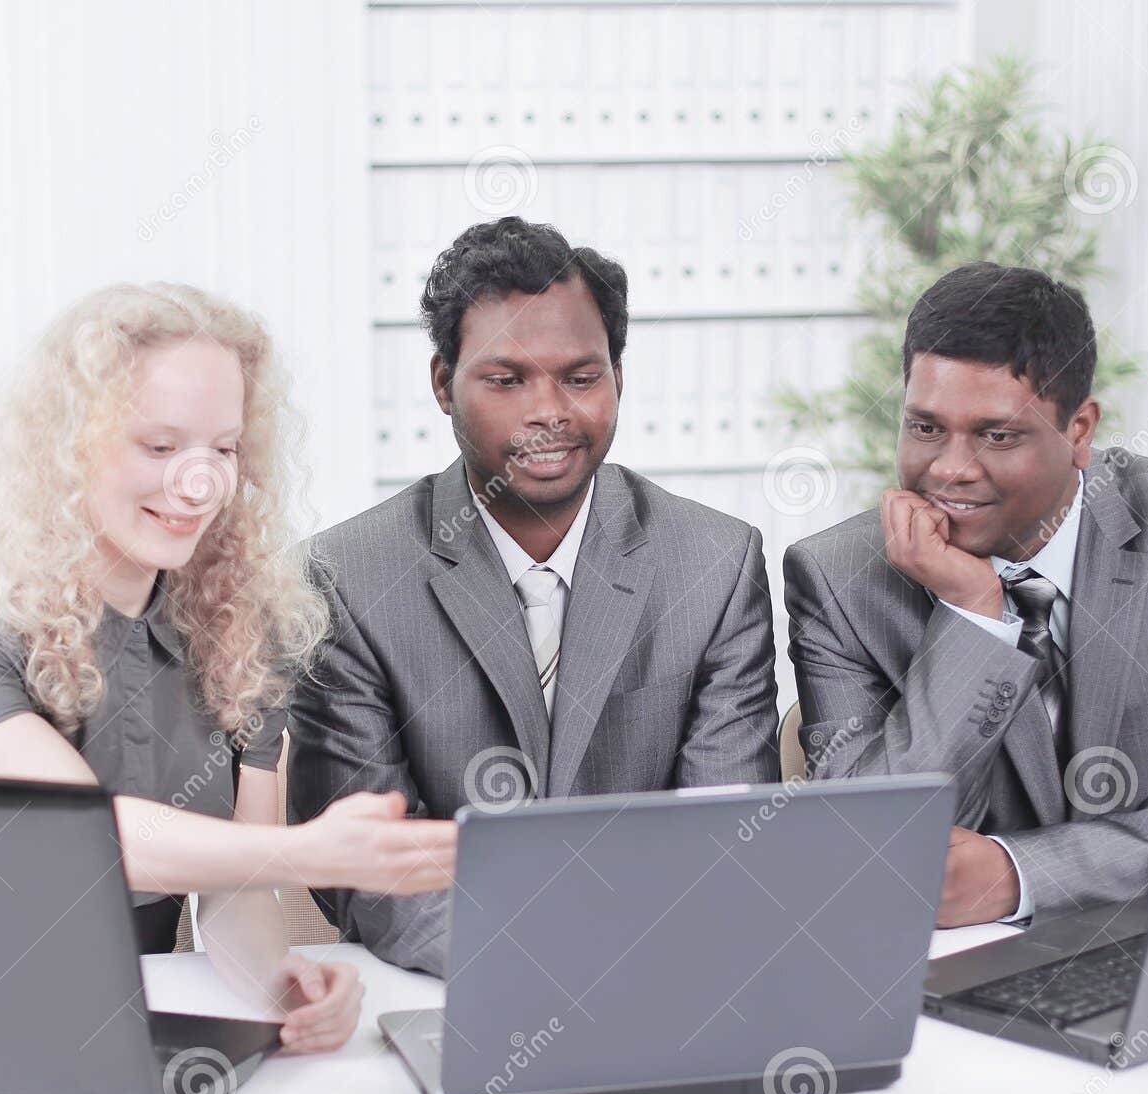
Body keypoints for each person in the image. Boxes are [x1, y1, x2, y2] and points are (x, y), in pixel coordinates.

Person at [0, 283, 456, 1052]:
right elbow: (83, 841)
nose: (198, 485)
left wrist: (276, 985)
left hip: (129, 1029)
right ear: (65, 448)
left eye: (222, 450)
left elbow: (233, 890)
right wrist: (307, 851)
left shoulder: (240, 634)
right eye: (159, 447)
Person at [289, 217, 780, 975]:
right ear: (442, 384)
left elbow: (727, 837)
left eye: (580, 377)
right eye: (506, 378)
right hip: (455, 989)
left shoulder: (714, 564)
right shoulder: (347, 576)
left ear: (619, 375)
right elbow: (369, 870)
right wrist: (538, 965)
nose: (548, 410)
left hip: (666, 981)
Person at [784, 261, 1148, 926]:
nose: (950, 469)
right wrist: (973, 617)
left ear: (1080, 431)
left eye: (997, 435)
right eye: (925, 427)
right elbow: (877, 857)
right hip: (949, 990)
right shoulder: (838, 581)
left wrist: (1019, 875)